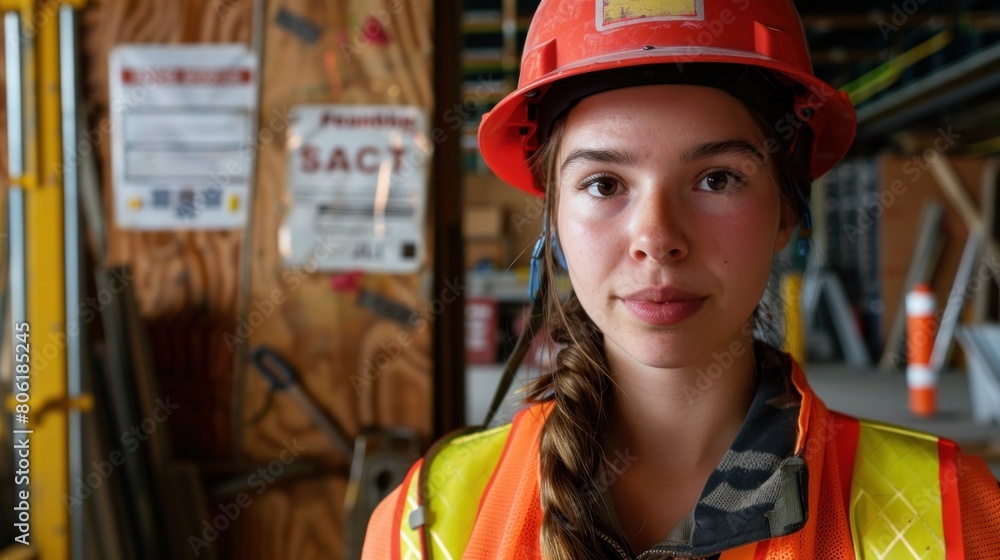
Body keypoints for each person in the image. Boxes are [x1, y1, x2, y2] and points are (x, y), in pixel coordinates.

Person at [363, 0, 1000, 558]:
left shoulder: (953, 518)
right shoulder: (427, 527)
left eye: (717, 178)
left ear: (785, 213)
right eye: (604, 184)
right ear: (552, 224)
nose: (657, 238)